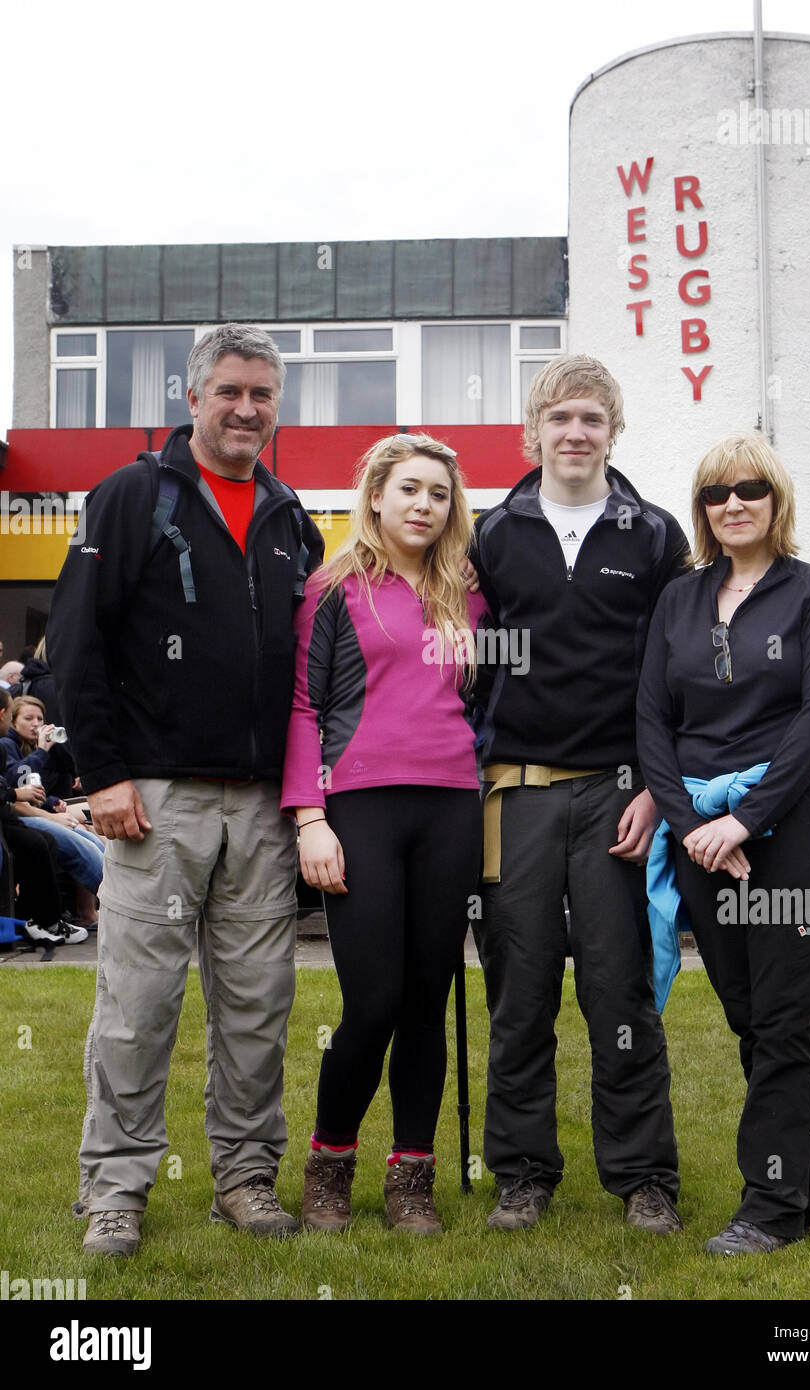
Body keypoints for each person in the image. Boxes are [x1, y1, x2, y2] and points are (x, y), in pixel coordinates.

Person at [47, 323, 324, 1258]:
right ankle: (115, 1189)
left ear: (277, 407)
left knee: (259, 1003)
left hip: (261, 805)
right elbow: (76, 646)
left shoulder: (291, 516)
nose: (246, 409)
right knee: (138, 1005)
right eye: (230, 392)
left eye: (262, 395)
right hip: (155, 799)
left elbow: (309, 675)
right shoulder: (131, 496)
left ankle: (245, 1179)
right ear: (194, 398)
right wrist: (106, 774)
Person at [636, 431, 810, 1255]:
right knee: (749, 1017)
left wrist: (750, 817)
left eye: (749, 489)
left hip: (789, 827)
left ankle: (770, 1206)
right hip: (702, 835)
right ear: (702, 511)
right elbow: (653, 721)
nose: (732, 504)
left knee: (784, 1018)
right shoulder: (680, 599)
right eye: (715, 493)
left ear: (776, 501)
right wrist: (694, 824)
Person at [470, 355, 686, 1232]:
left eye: (592, 420)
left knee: (618, 988)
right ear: (535, 431)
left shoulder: (657, 535)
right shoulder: (491, 533)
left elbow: (674, 679)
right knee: (516, 990)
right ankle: (522, 1172)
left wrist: (658, 793)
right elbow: (467, 669)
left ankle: (643, 1178)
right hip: (512, 795)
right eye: (559, 419)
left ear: (614, 431)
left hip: (618, 795)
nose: (575, 434)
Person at [282, 432, 484, 1235]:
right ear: (375, 496)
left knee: (427, 999)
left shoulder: (468, 593)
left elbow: (488, 701)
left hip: (451, 807)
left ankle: (412, 1179)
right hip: (357, 807)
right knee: (372, 1000)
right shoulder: (332, 587)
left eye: (438, 494)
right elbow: (302, 705)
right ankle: (329, 1165)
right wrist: (309, 817)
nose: (424, 505)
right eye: (410, 489)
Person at [2, 693, 103, 927]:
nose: (36, 723)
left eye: (40, 718)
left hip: (27, 814)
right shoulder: (7, 744)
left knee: (88, 836)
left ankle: (98, 907)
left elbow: (34, 791)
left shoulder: (24, 746)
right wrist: (42, 751)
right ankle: (115, 900)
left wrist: (52, 802)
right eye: (28, 718)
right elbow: (15, 781)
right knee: (79, 838)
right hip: (14, 819)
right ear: (12, 719)